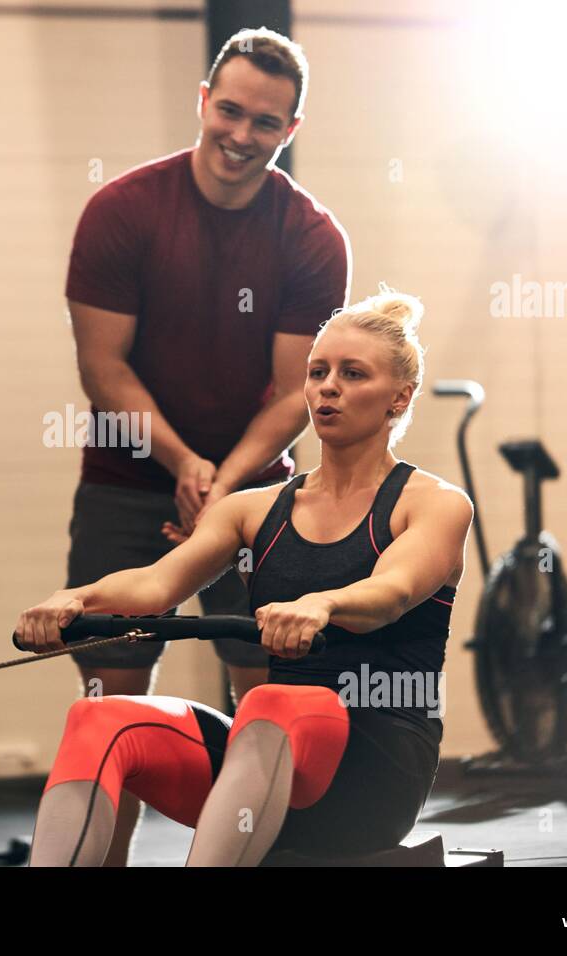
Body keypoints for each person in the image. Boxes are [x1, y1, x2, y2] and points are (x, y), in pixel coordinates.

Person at [17, 289, 472, 866]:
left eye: (353, 374)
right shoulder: (251, 509)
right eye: (317, 372)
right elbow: (156, 587)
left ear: (399, 398)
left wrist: (322, 605)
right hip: (266, 756)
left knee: (270, 702)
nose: (328, 387)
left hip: (375, 762)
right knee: (98, 716)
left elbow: (394, 593)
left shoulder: (433, 503)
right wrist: (72, 599)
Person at [60, 26, 350, 864]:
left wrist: (225, 483)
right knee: (108, 706)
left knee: (266, 699)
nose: (241, 134)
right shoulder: (122, 211)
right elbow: (102, 366)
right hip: (127, 479)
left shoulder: (312, 237)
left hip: (257, 497)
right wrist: (185, 464)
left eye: (265, 123)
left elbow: (297, 390)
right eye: (229, 110)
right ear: (203, 101)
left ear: (288, 131)